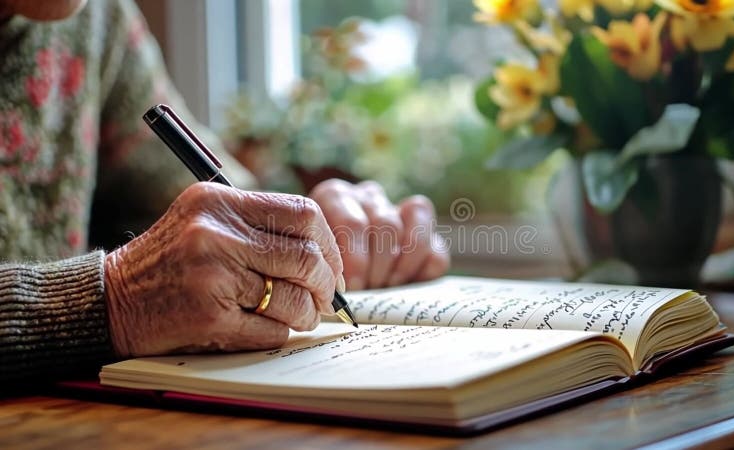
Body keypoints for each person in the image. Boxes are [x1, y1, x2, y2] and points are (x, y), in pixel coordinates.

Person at [0, 0, 449, 381]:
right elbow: (142, 279)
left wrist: (297, 231)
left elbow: (205, 211)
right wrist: (112, 302)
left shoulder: (96, 14)